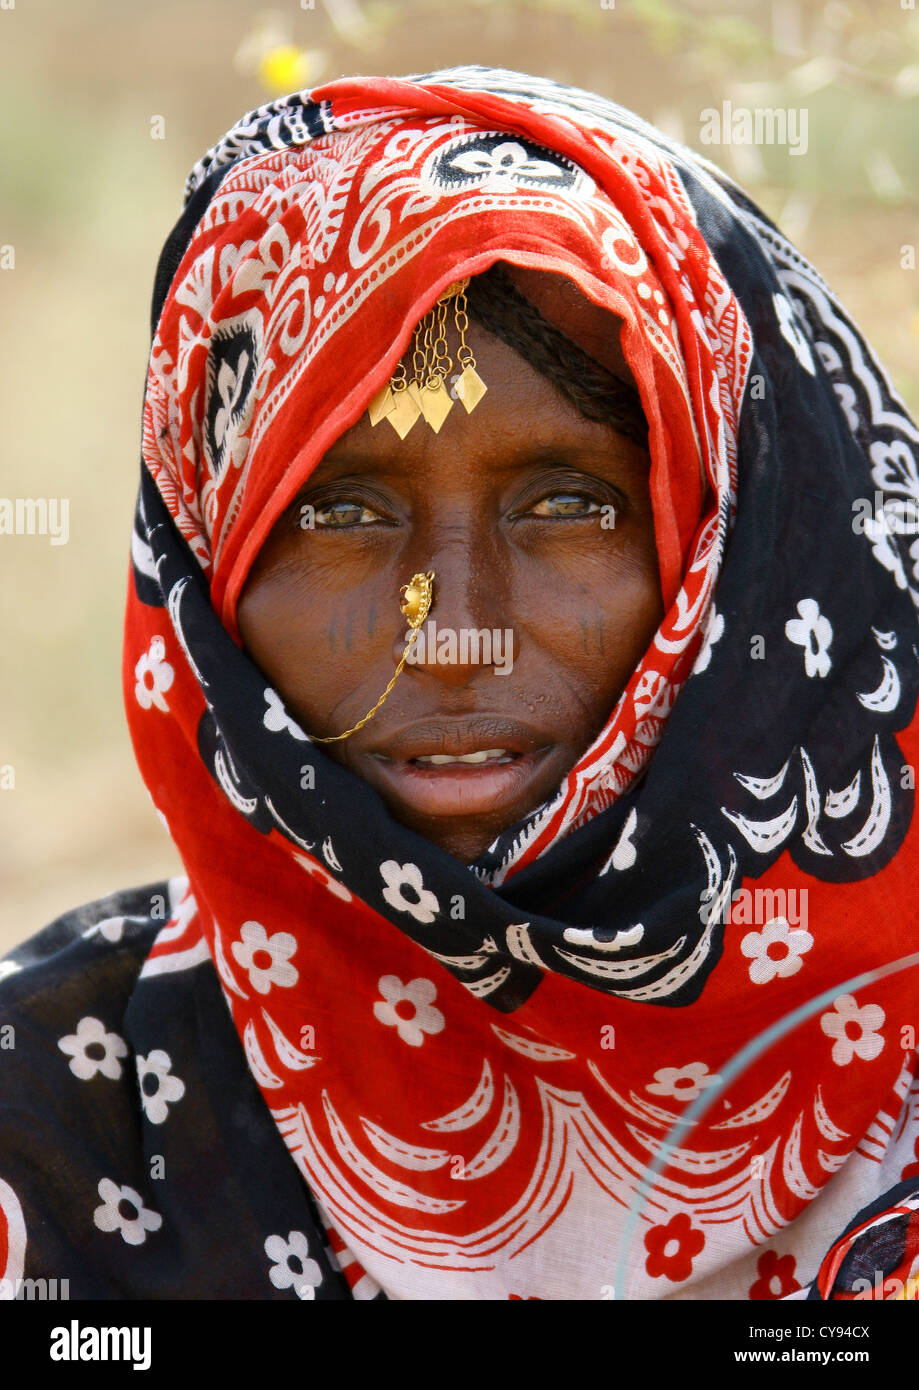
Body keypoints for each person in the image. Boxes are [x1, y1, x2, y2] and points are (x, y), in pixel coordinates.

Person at [2, 65, 919, 1303]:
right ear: (207, 570)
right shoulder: (56, 1120)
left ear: (742, 555)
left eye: (567, 504)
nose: (453, 636)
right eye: (338, 510)